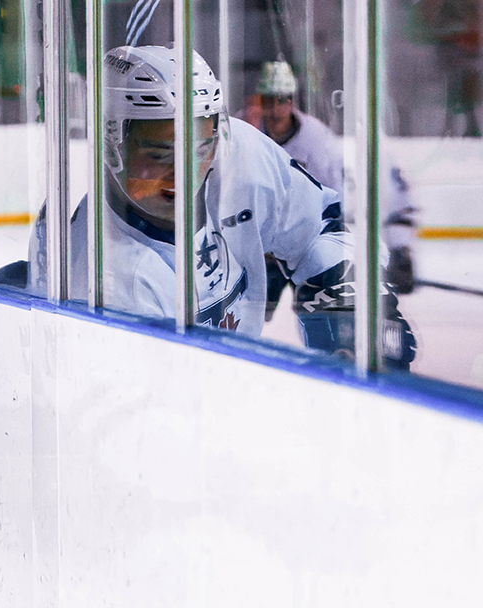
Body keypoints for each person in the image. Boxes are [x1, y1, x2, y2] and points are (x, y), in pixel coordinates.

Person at [30, 46, 415, 369]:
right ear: (109, 145)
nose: (183, 173)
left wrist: (347, 297)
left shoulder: (236, 155)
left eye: (199, 149)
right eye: (160, 153)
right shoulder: (105, 284)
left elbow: (317, 221)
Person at [242, 59, 418, 301]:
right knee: (249, 311)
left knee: (315, 305)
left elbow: (332, 200)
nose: (274, 109)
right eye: (268, 100)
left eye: (281, 99)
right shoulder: (243, 130)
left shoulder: (317, 139)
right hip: (258, 248)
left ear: (292, 100)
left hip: (302, 244)